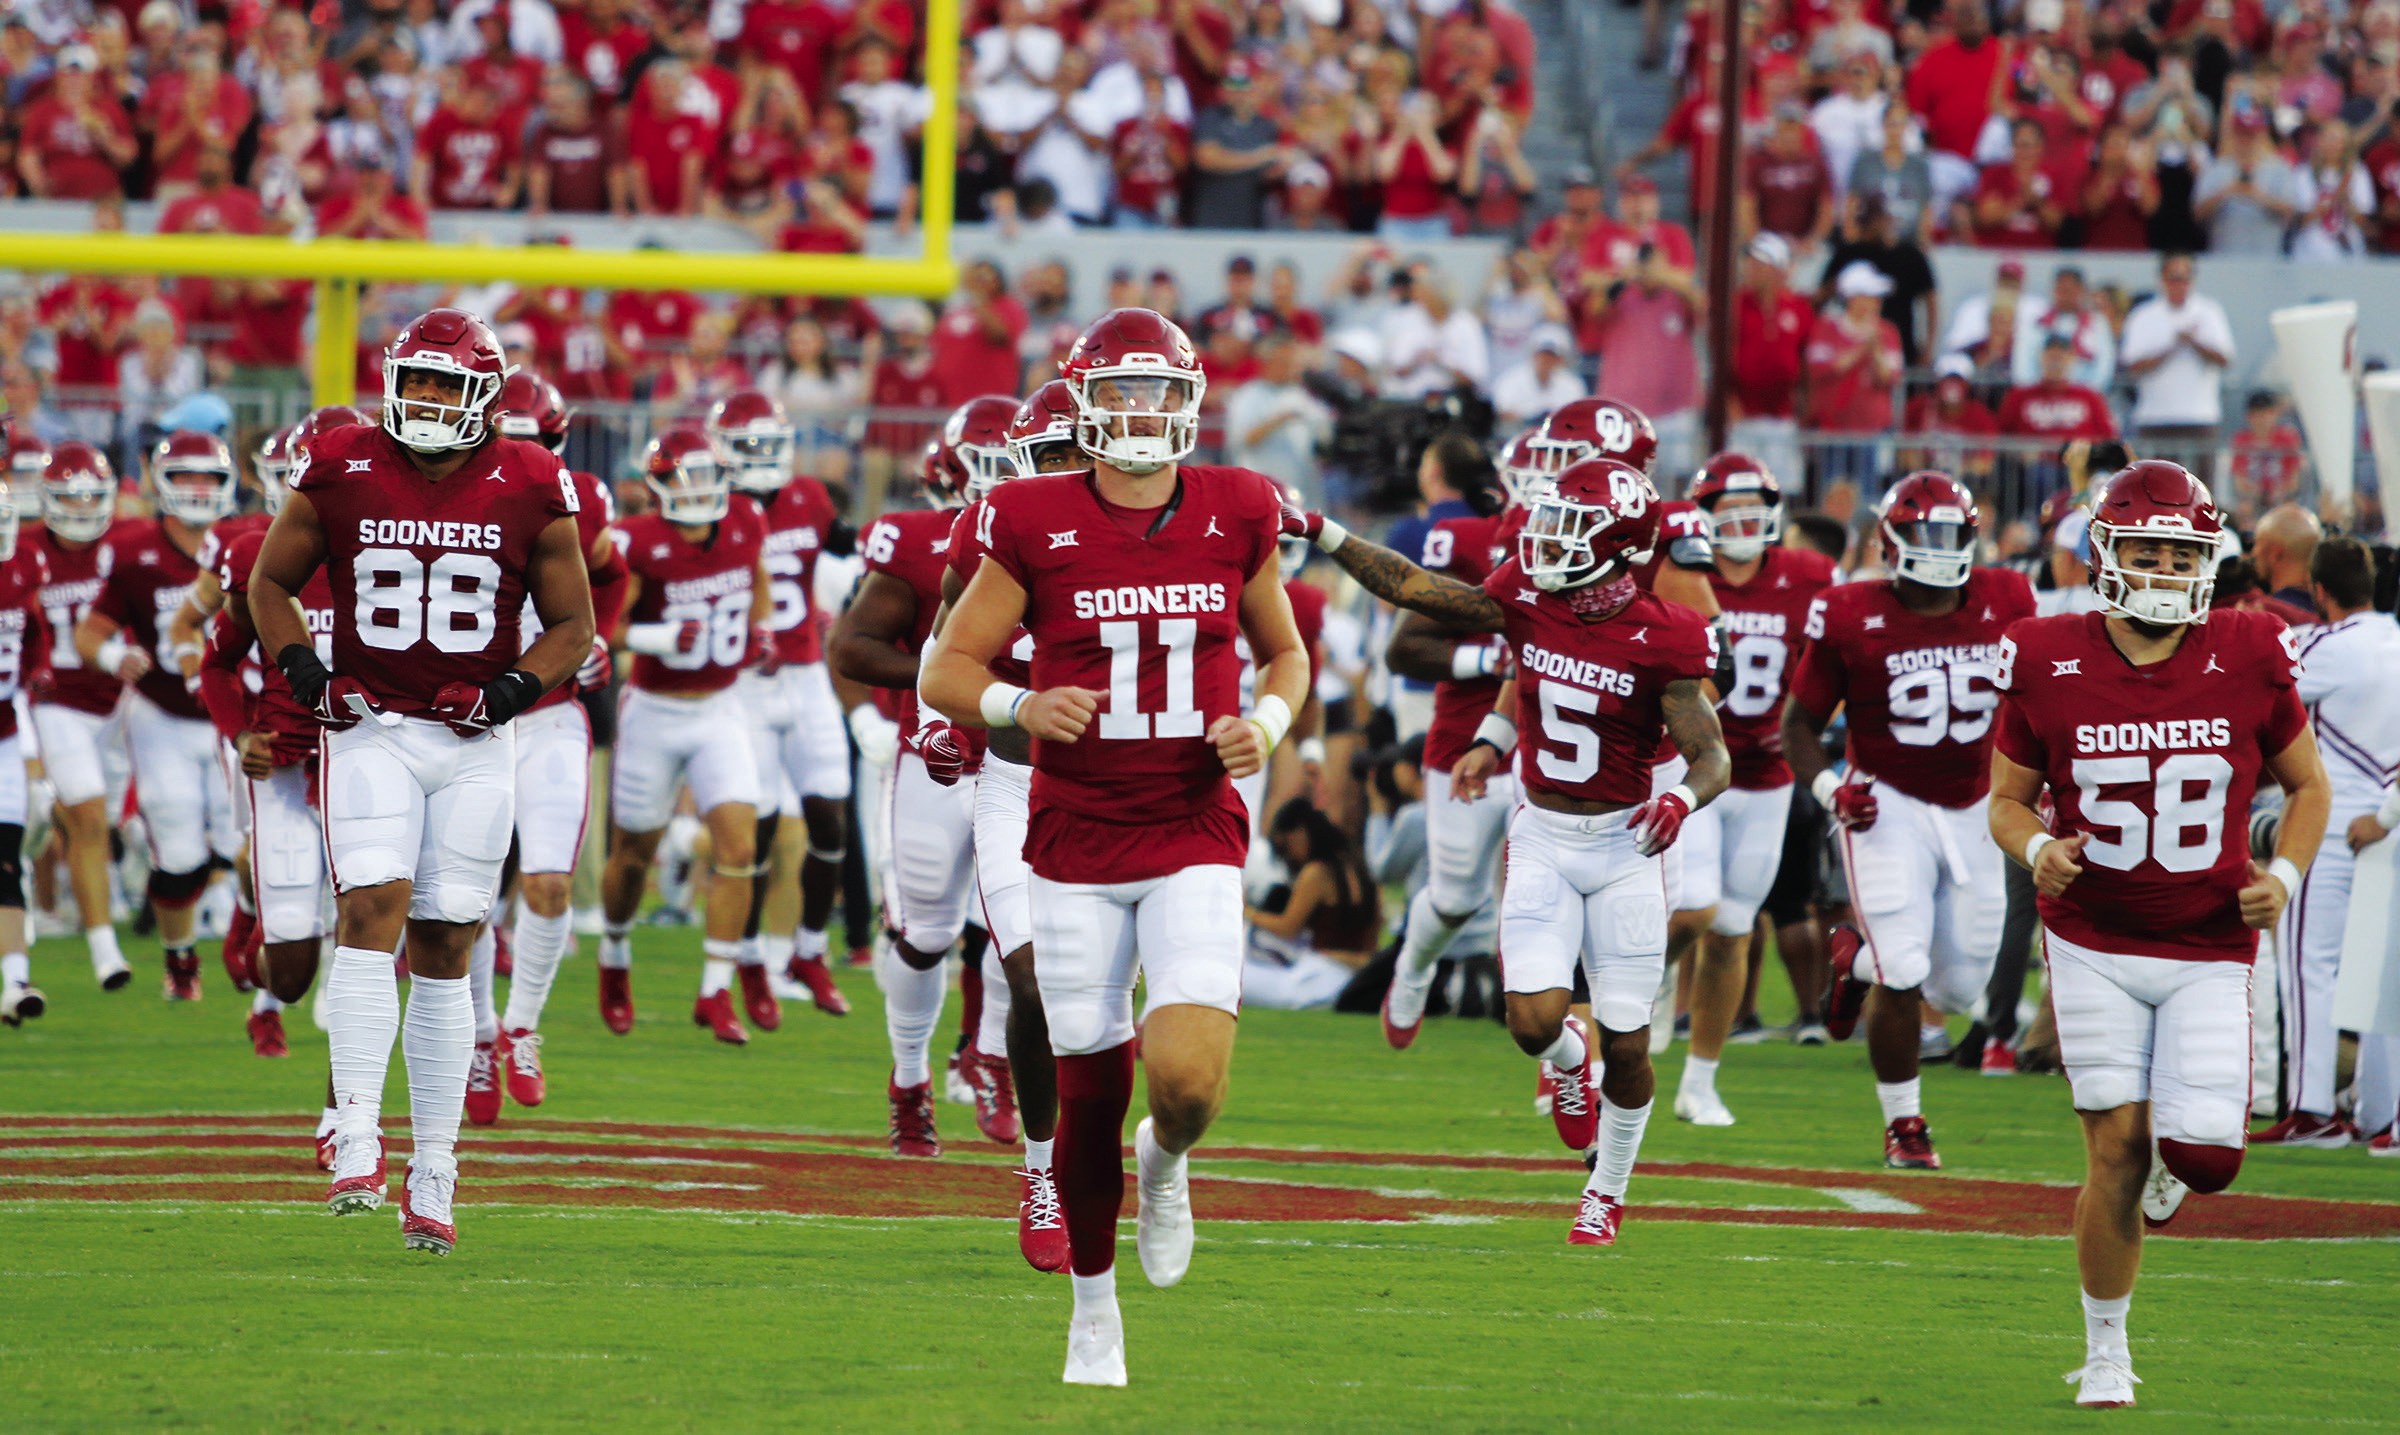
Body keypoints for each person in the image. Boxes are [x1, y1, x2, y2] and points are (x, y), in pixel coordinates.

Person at [920, 308, 1309, 1386]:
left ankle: (1169, 1161)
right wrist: (1017, 701)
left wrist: (1264, 728)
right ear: (1084, 404)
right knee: (1088, 1091)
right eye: (1120, 393)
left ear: (1188, 402)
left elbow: (1288, 656)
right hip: (1075, 836)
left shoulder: (1238, 506)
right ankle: (1095, 1313)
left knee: (1183, 1085)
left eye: (1158, 392)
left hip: (1191, 826)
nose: (1140, 415)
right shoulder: (1028, 514)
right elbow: (944, 669)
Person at [1287, 457, 1731, 1248]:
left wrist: (1681, 797)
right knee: (1531, 1021)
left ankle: (1608, 1188)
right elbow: (1417, 590)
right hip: (1544, 834)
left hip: (1629, 842)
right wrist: (1325, 530)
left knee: (1629, 1043)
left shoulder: (1666, 632)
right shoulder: (1529, 594)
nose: (1546, 537)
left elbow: (1712, 754)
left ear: (1620, 542)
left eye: (1569, 524)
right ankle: (1566, 1060)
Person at [249, 307, 595, 1256]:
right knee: (373, 907)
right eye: (421, 379)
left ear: (484, 392)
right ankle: (356, 1127)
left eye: (450, 382)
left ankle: (435, 1165)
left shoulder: (530, 478)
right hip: (371, 728)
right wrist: (305, 674)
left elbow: (575, 624)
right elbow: (269, 583)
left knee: (448, 940)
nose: (432, 398)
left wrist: (513, 689)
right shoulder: (345, 461)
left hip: (475, 739)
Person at [1988, 460, 2329, 1408]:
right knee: (2116, 1150)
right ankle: (2106, 1349)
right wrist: (2036, 850)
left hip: (2211, 938)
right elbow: (2007, 803)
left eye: (2183, 551)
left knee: (2208, 1157)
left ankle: (2177, 1167)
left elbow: (2307, 786)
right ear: (2106, 550)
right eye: (2148, 547)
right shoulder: (2045, 652)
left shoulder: (2253, 647)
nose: (2167, 566)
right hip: (2093, 934)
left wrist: (2286, 876)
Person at [1782, 471, 2038, 1169]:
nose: (1937, 547)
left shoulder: (2008, 598)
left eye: (1949, 533)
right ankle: (1905, 1124)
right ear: (1891, 540)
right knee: (1904, 967)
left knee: (1956, 990)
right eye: (1923, 532)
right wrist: (1831, 785)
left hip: (1976, 799)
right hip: (1884, 798)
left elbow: (2036, 701)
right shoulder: (1848, 610)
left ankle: (1850, 958)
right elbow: (1798, 723)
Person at [832, 397, 1018, 1157]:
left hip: (1028, 760)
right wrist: (951, 680)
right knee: (926, 935)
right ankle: (909, 1079)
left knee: (1020, 930)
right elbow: (853, 646)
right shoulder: (917, 539)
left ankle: (995, 1058)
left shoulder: (1078, 533)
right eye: (997, 459)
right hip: (936, 759)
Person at [471, 375, 622, 1120]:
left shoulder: (582, 498)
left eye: (540, 442)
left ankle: (520, 1024)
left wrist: (601, 636)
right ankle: (474, 1033)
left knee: (550, 884)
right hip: (468, 717)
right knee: (462, 895)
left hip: (551, 711)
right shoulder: (453, 488)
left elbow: (611, 571)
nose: (526, 456)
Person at [1674, 452, 1838, 1126]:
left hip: (1768, 775)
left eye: (1751, 511)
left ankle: (1700, 1081)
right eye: (1727, 512)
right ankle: (1621, 994)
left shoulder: (1809, 575)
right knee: (1694, 909)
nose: (1741, 524)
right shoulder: (1682, 572)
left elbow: (1834, 658)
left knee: (1735, 927)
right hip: (1692, 765)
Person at [596, 427, 770, 1047]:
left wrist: (762, 631)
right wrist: (652, 639)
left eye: (706, 476)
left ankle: (715, 991)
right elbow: (602, 627)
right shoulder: (637, 540)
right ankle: (615, 953)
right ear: (657, 486)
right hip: (654, 710)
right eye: (683, 478)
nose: (697, 492)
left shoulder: (748, 521)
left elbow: (757, 585)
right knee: (633, 855)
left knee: (740, 850)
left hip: (720, 707)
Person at [76, 431, 243, 1003]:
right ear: (161, 484)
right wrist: (111, 655)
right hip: (162, 713)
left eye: (211, 478)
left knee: (241, 840)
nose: (199, 489)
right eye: (186, 476)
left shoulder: (251, 540)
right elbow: (90, 630)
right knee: (177, 847)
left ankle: (249, 934)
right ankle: (179, 956)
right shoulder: (135, 551)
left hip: (233, 713)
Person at [706, 390, 852, 1022]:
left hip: (808, 673)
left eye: (771, 443)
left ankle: (809, 951)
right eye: (750, 446)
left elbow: (848, 555)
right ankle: (747, 960)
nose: (763, 457)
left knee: (830, 820)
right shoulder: (710, 504)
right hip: (747, 684)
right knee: (758, 828)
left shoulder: (811, 499)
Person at [2255, 538, 2400, 1146]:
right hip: (2389, 822)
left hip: (2340, 823)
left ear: (2319, 590)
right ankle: (2380, 1117)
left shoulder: (2328, 647)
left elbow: (2259, 687)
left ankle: (2313, 1109)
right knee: (2381, 976)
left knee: (2307, 963)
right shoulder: (2395, 638)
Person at [27, 442, 133, 994]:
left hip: (121, 703)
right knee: (90, 819)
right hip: (56, 701)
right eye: (70, 495)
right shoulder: (24, 550)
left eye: (92, 494)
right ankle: (104, 950)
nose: (82, 505)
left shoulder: (127, 546)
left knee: (108, 822)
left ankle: (41, 810)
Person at [1242, 797, 1381, 1009]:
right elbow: (1374, 930)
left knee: (1235, 979)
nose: (1289, 858)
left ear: (1299, 833)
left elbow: (1288, 926)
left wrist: (1246, 912)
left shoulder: (1317, 872)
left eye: (1286, 847)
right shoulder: (1362, 867)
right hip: (1359, 974)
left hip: (1320, 973)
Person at [0, 491, 49, 1028]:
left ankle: (15, 983)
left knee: (6, 861)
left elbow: (34, 630)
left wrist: (37, 672)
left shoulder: (22, 566)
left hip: (5, 733)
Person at [2118, 254, 2234, 480]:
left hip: (2200, 416)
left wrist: (2194, 343)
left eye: (2184, 278)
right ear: (2161, 279)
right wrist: (2171, 346)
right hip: (2155, 417)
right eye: (2174, 278)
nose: (2179, 284)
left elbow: (2224, 359)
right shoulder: (2143, 315)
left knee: (2200, 489)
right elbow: (2132, 366)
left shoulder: (2209, 311)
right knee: (2155, 487)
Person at [1489, 326, 1587, 436]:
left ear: (1561, 359)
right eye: (1543, 354)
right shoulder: (1510, 380)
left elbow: (1576, 418)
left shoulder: (1573, 384)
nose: (1546, 360)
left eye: (1552, 356)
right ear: (1534, 354)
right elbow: (1502, 414)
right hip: (1519, 438)